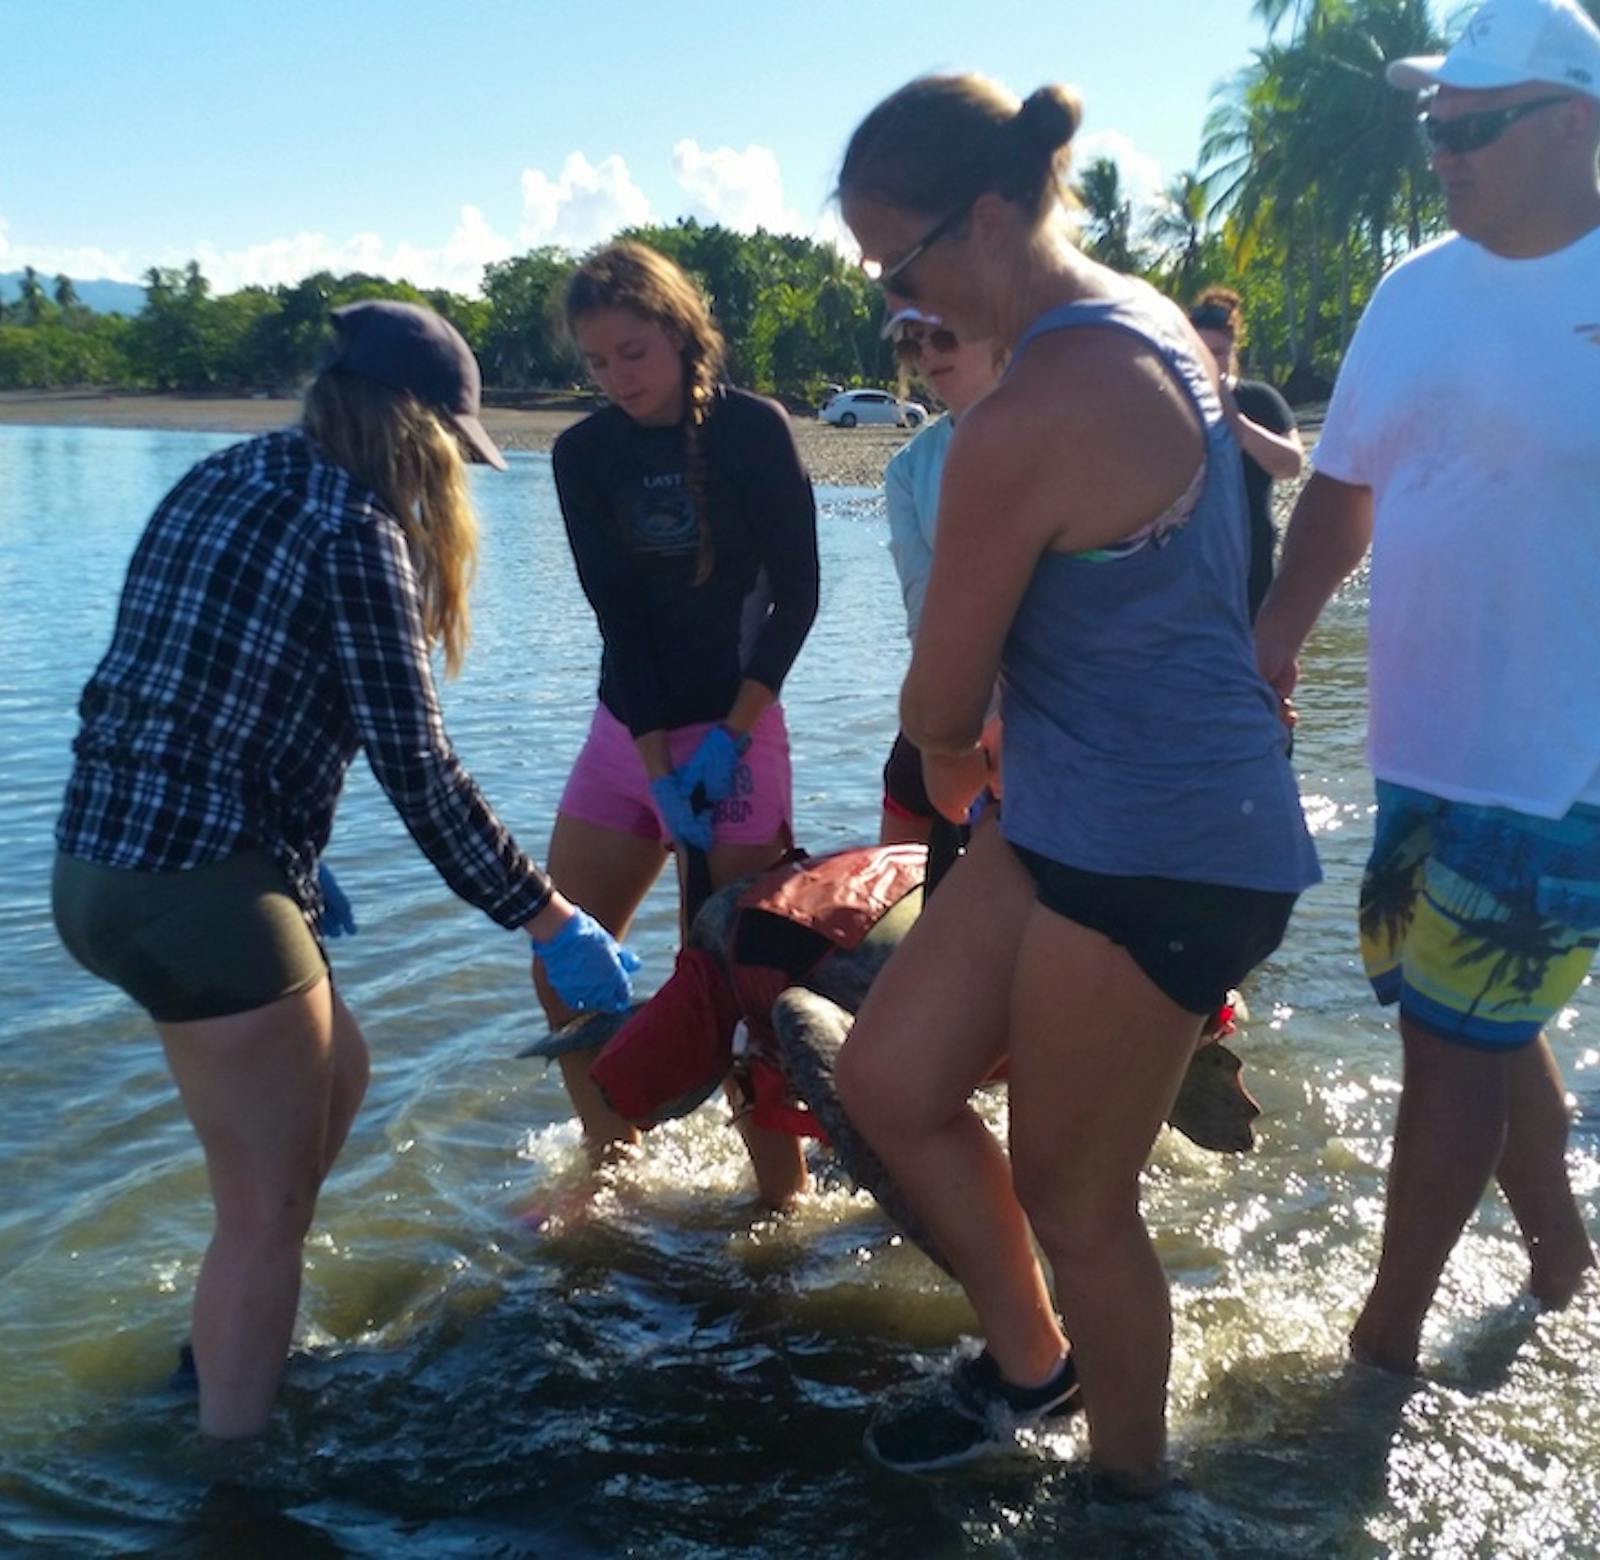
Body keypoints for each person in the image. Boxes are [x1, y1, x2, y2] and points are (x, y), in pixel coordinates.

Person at [833, 74, 1321, 1492]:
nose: (891, 298)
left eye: (895, 261)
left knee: (1075, 1192)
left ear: (986, 218)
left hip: (1169, 847)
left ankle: (1132, 1491)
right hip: (1072, 815)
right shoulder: (1149, 315)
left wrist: (944, 740)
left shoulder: (1027, 414)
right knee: (891, 1075)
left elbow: (938, 703)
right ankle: (1034, 1368)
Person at [50, 301, 638, 1439]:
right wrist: (549, 917)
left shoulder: (224, 475)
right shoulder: (353, 527)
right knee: (260, 1218)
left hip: (93, 870)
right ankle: (233, 1476)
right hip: (202, 888)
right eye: (450, 456)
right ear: (413, 431)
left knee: (342, 1071)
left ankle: (227, 1343)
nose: (448, 485)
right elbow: (419, 772)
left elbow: (163, 688)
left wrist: (288, 870)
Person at [1254, 0, 1600, 1378]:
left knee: (1454, 1050)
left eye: (1475, 124)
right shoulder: (1414, 292)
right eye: (1433, 124)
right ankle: (1567, 1264)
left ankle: (1380, 1354)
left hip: (1566, 762)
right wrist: (1271, 642)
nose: (1442, 148)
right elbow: (1339, 502)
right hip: (1424, 743)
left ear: (1576, 123)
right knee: (1464, 1016)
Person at [539, 241, 821, 1193]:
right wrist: (655, 765)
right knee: (561, 957)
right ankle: (609, 1164)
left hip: (735, 731)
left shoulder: (753, 431)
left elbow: (800, 600)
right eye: (596, 361)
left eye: (634, 353)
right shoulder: (583, 454)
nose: (617, 378)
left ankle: (781, 1199)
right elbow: (615, 615)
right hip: (631, 731)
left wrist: (727, 742)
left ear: (682, 333)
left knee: (736, 984)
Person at [879, 309, 1006, 847]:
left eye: (946, 335)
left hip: (1051, 710)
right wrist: (951, 728)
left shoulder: (1064, 440)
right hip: (956, 694)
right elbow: (923, 608)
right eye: (914, 344)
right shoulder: (908, 469)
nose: (929, 355)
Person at [1186, 287, 1304, 620]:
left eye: (1219, 352)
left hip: (1250, 554)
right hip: (1187, 557)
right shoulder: (1167, 401)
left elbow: (1292, 465)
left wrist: (1236, 423)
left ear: (1234, 351)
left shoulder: (1260, 400)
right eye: (1200, 352)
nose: (1210, 362)